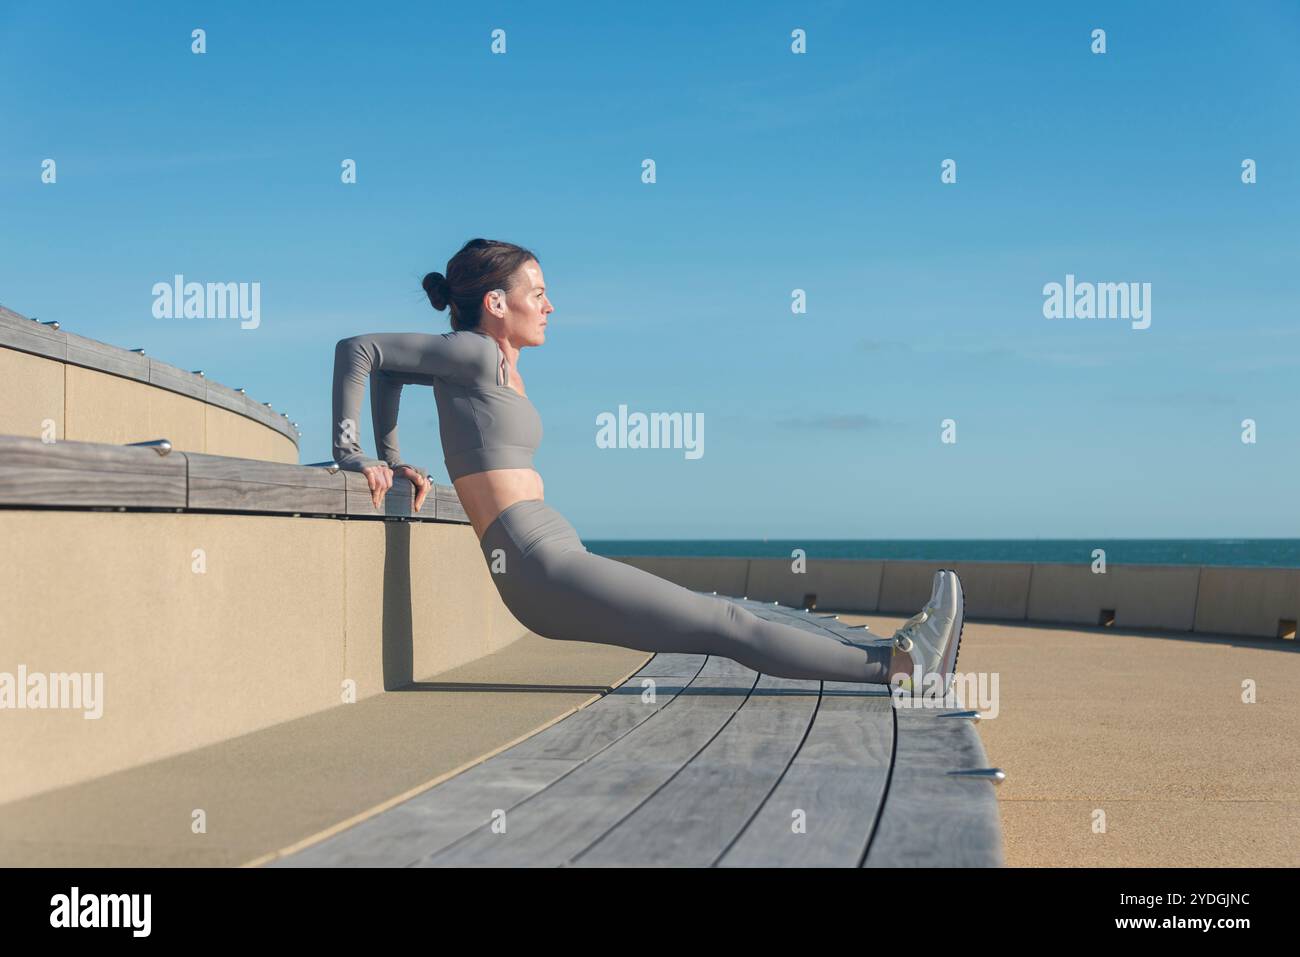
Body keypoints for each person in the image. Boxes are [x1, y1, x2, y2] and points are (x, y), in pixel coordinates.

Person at [331, 238, 963, 694]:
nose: (549, 306)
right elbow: (361, 351)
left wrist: (392, 458)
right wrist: (353, 451)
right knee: (726, 622)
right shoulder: (469, 351)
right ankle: (901, 668)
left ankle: (892, 651)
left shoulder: (484, 361)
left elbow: (390, 370)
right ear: (497, 302)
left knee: (730, 613)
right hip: (535, 562)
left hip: (549, 546)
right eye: (539, 293)